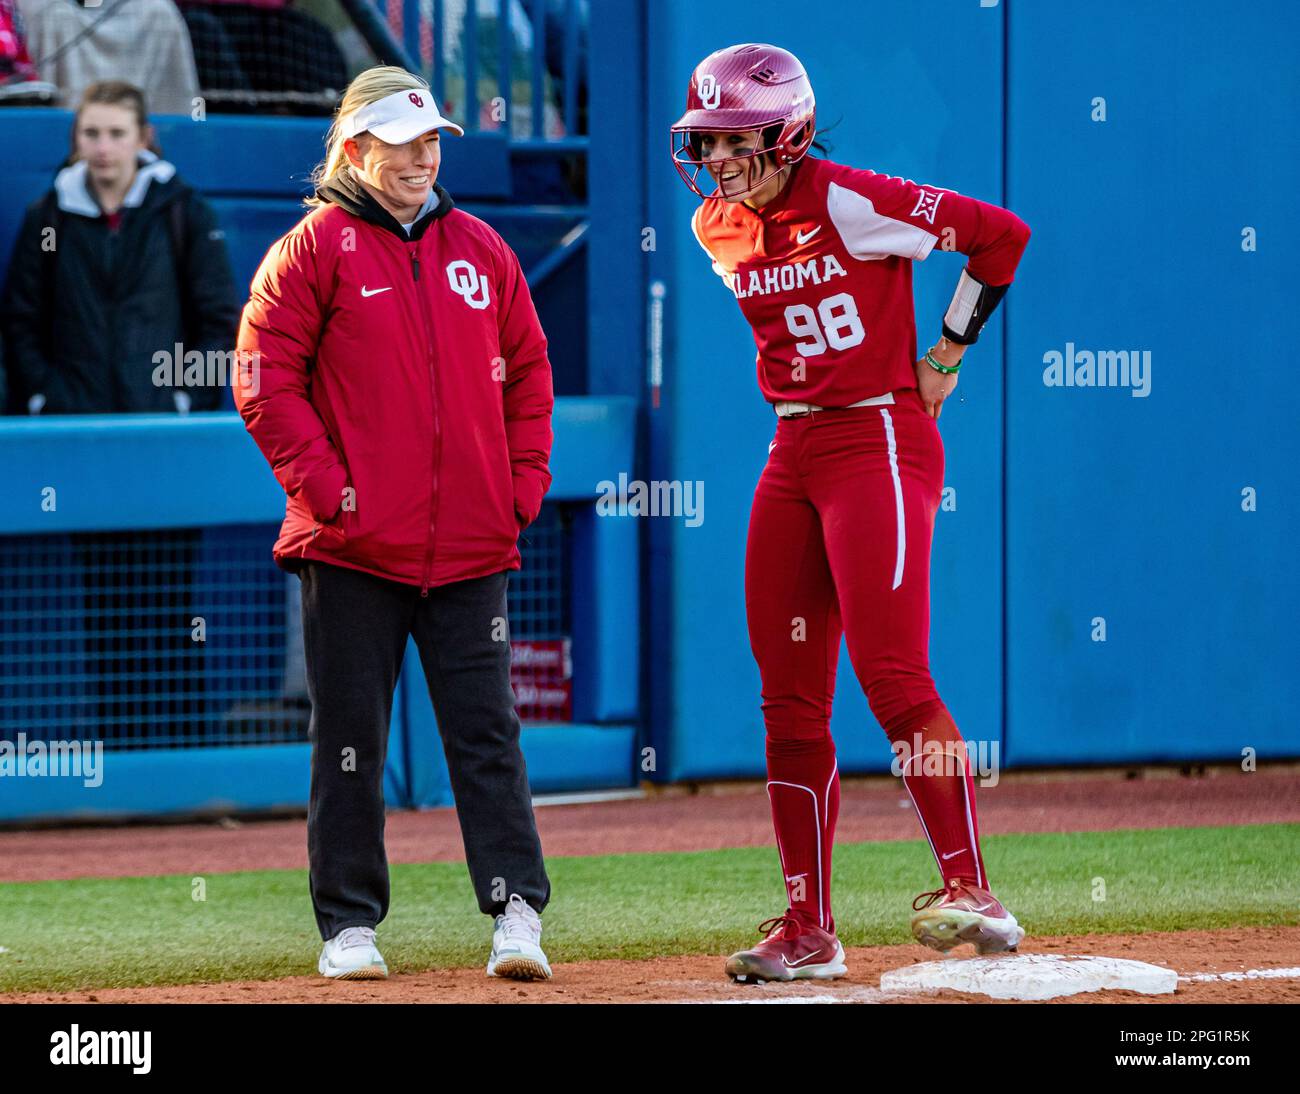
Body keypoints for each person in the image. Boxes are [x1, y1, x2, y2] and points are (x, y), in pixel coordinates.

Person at [670, 43, 1032, 983]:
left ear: (786, 131)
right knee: (787, 699)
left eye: (736, 140)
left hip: (876, 438)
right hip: (792, 450)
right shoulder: (717, 225)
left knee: (892, 675)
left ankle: (970, 889)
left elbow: (1001, 235)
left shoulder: (847, 197)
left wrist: (947, 352)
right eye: (706, 141)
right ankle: (808, 926)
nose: (717, 160)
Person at [234, 65, 556, 982]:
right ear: (355, 148)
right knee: (349, 742)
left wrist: (519, 485)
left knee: (488, 735)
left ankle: (517, 912)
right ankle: (348, 928)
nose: (422, 159)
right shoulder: (310, 249)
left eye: (431, 142)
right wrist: (332, 493)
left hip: (470, 546)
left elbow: (529, 373)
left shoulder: (483, 248)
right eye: (403, 143)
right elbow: (263, 383)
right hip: (350, 551)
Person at [1, 78, 238, 412]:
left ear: (143, 137)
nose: (103, 148)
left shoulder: (184, 212)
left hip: (160, 427)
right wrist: (42, 396)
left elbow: (220, 321)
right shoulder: (47, 218)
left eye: (117, 133)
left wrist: (189, 401)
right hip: (69, 423)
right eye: (91, 133)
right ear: (76, 137)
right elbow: (21, 317)